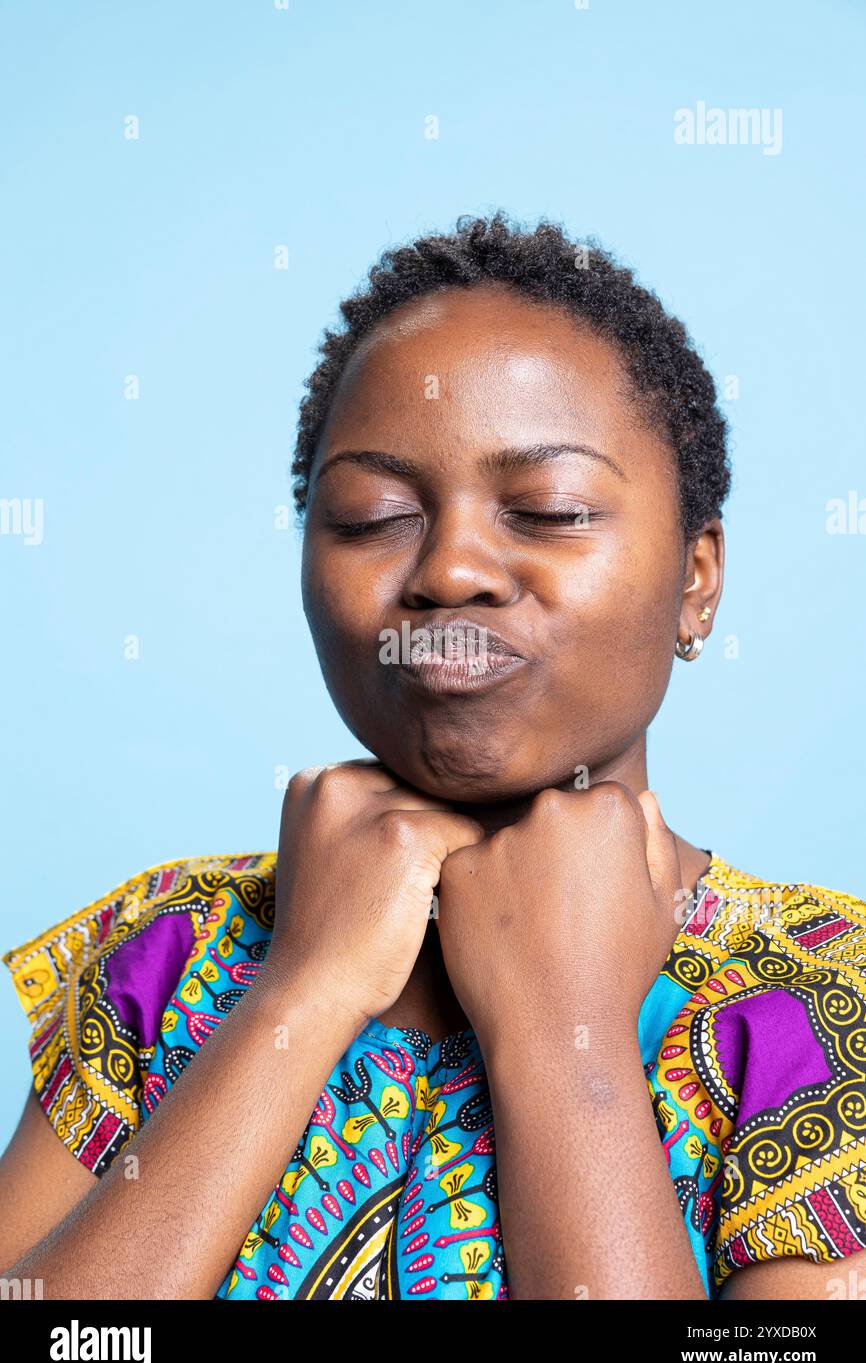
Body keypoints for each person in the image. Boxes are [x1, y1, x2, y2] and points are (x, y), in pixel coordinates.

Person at [2, 212, 865, 1301]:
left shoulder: (813, 1012)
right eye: (373, 516)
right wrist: (297, 992)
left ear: (696, 576)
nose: (450, 568)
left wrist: (567, 1040)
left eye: (546, 510)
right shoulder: (170, 955)